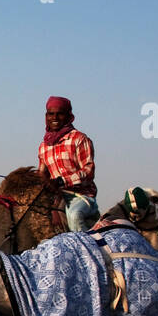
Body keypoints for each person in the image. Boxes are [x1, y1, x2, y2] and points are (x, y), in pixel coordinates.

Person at [36, 96, 98, 231]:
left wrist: (60, 181)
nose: (55, 117)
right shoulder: (44, 146)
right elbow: (41, 174)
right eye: (51, 114)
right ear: (46, 116)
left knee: (74, 215)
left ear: (69, 116)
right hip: (56, 197)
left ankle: (85, 250)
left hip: (81, 196)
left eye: (60, 113)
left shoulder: (79, 139)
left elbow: (88, 171)